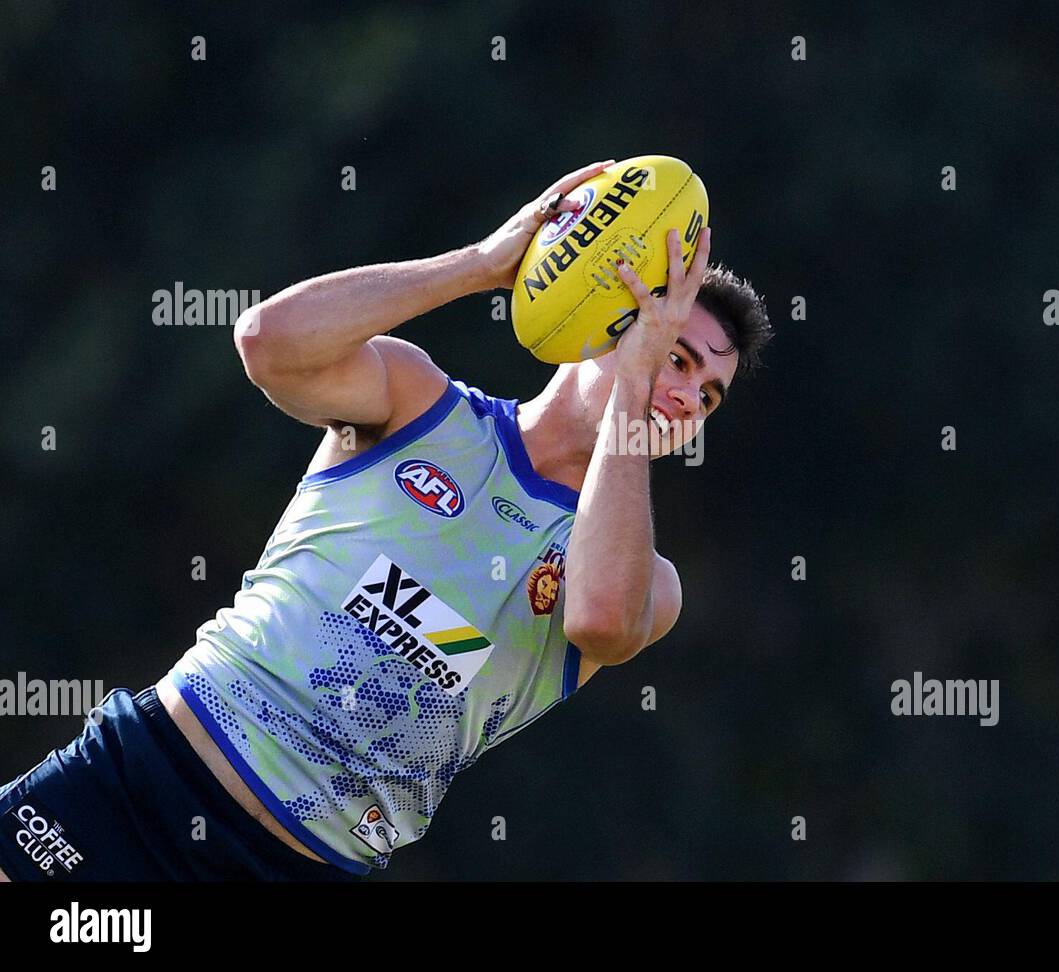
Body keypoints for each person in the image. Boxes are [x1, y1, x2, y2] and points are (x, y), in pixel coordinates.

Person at [0, 160, 773, 880]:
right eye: (679, 358)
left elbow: (602, 619)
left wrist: (640, 376)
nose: (688, 397)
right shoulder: (419, 401)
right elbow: (269, 345)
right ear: (609, 323)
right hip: (140, 772)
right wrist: (482, 264)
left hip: (289, 867)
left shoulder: (649, 581)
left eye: (710, 395)